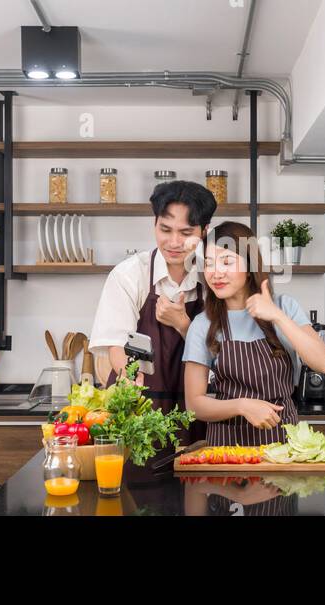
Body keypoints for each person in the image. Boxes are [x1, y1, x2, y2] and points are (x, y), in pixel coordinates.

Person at [182, 221, 325, 446]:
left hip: (281, 447)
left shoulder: (284, 307)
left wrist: (277, 316)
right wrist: (242, 406)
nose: (216, 273)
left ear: (250, 266)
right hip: (227, 451)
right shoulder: (203, 324)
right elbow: (194, 405)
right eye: (209, 263)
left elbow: (323, 364)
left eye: (227, 262)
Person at [89, 180, 215, 442]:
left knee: (200, 481)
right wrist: (129, 379)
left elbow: (223, 354)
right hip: (140, 412)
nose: (174, 241)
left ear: (204, 231)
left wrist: (183, 324)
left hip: (200, 412)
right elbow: (117, 345)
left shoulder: (214, 277)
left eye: (186, 232)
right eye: (165, 229)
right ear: (154, 223)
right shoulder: (129, 274)